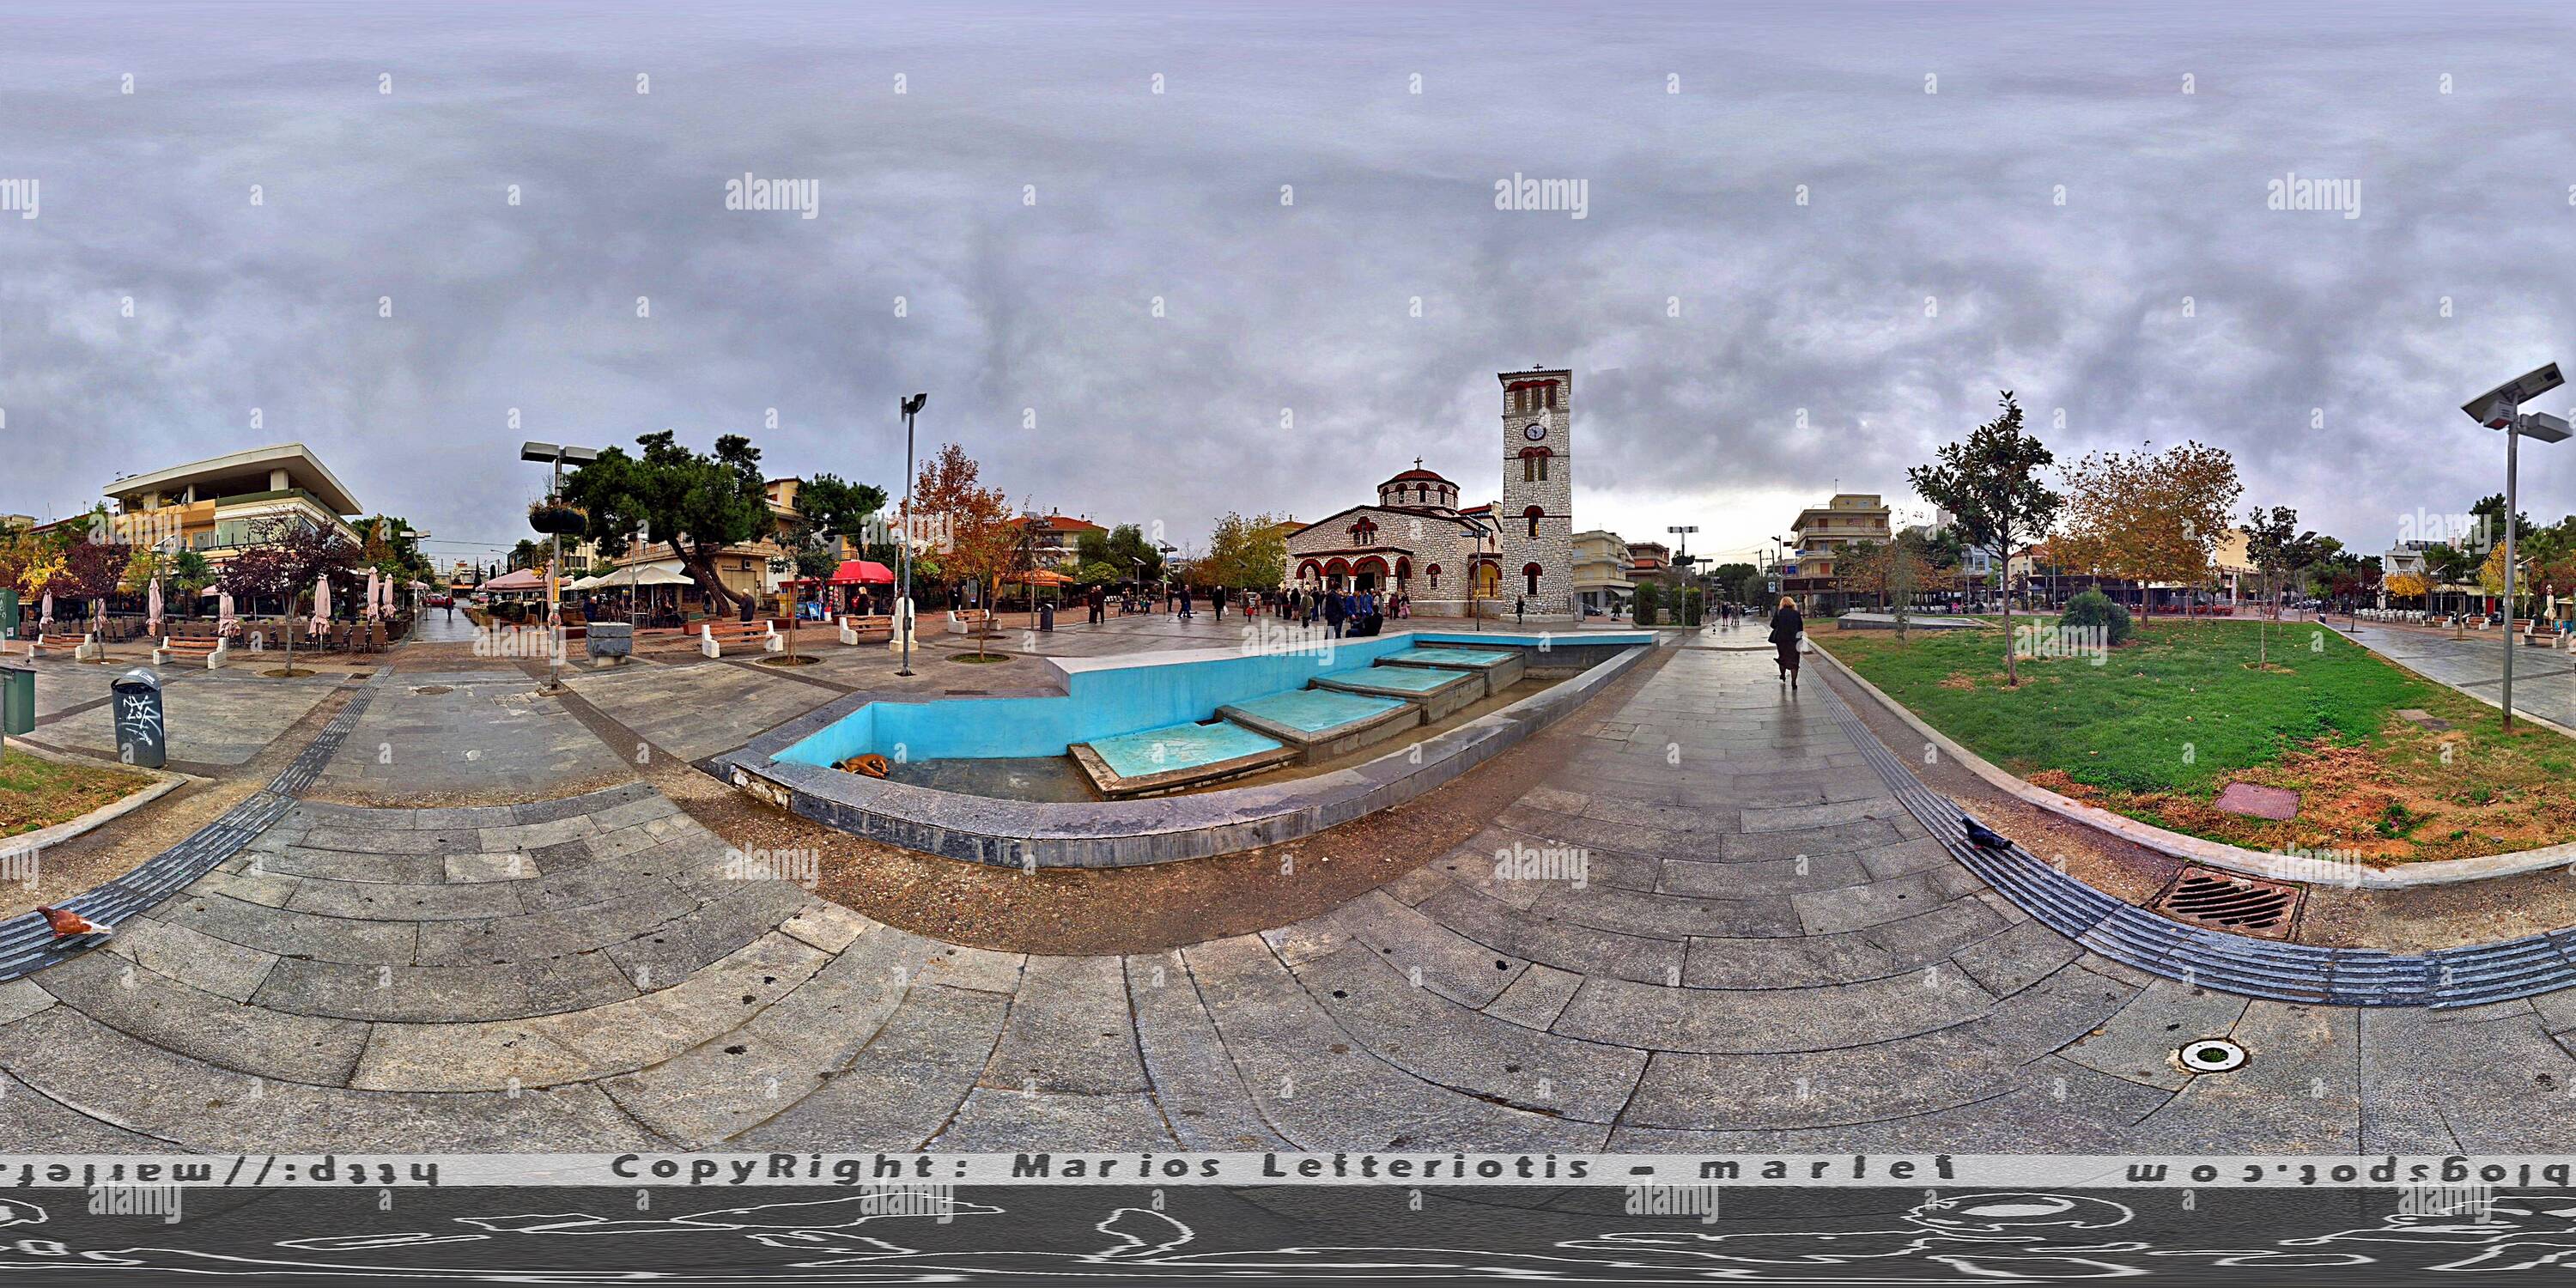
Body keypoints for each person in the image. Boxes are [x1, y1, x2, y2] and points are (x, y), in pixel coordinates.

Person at [1769, 595, 1804, 690]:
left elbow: (1772, 625)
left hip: (1782, 640)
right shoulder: (1796, 614)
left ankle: (1783, 675)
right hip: (1794, 640)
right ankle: (1794, 682)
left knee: (1783, 658)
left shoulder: (1779, 613)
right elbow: (1800, 628)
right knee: (1794, 661)